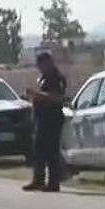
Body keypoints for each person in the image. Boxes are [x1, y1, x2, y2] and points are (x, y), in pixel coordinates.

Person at [23, 51, 68, 192]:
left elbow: (57, 97)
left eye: (41, 64)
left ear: (48, 62)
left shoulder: (56, 77)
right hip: (41, 119)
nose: (39, 67)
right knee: (38, 151)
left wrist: (36, 94)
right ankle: (38, 180)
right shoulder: (43, 78)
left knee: (51, 152)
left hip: (52, 119)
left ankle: (53, 182)